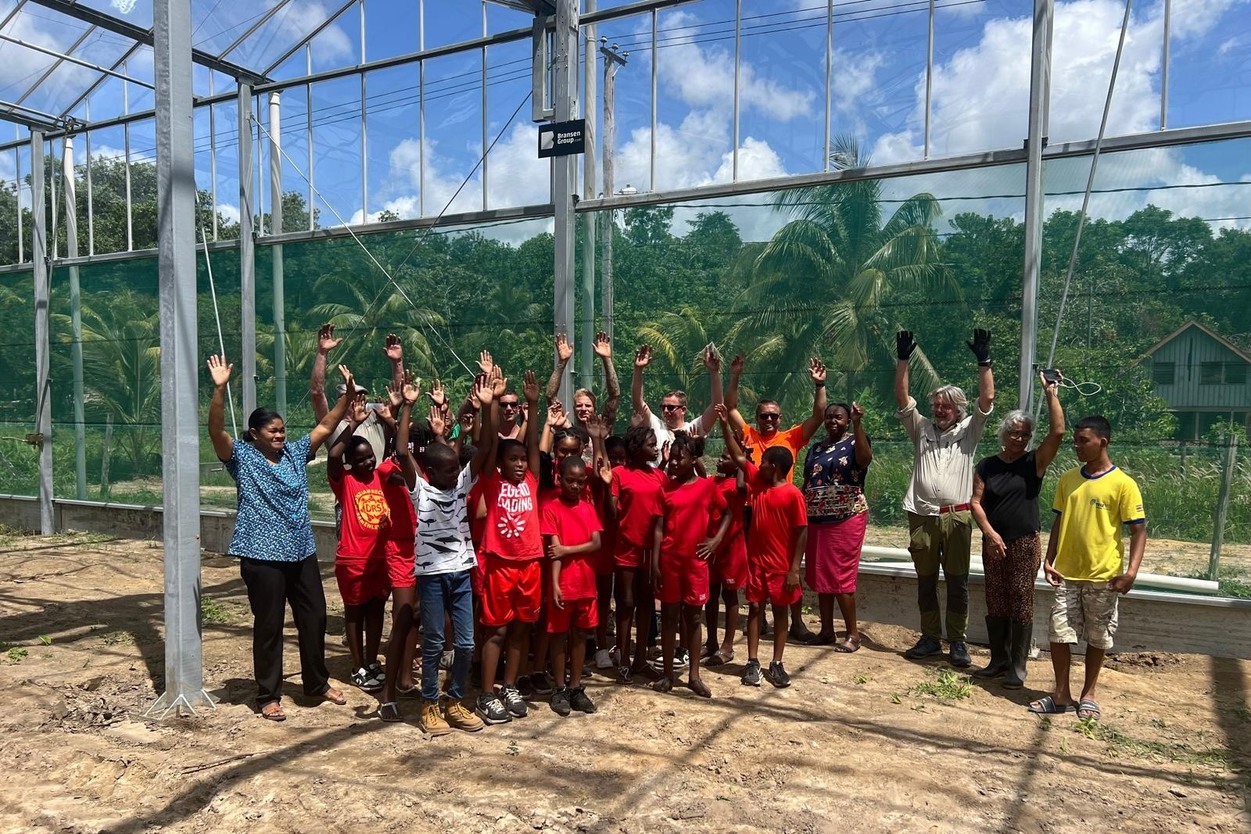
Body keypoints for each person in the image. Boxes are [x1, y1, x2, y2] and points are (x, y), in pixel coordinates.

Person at [205, 354, 351, 721]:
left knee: (315, 617)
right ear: (255, 434)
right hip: (260, 555)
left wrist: (346, 398)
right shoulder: (240, 457)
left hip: (300, 551)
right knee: (268, 625)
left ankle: (316, 683)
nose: (280, 435)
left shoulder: (295, 454)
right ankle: (268, 694)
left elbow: (325, 426)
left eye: (282, 429)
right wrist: (219, 389)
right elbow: (215, 431)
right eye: (273, 431)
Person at [392, 372, 496, 735]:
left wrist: (485, 410)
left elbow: (483, 451)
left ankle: (454, 701)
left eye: (457, 469)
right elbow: (402, 452)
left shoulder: (462, 484)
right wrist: (407, 405)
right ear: (432, 471)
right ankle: (430, 704)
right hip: (432, 576)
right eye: (449, 470)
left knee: (465, 642)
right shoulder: (420, 491)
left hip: (462, 572)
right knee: (434, 640)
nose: (456, 474)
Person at [1028, 416, 1146, 721]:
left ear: (1102, 442)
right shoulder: (1068, 479)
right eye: (1076, 440)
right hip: (1066, 573)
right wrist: (1049, 559)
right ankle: (1061, 695)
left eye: (1084, 441)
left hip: (1103, 577)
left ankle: (1088, 695)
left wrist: (1130, 572)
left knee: (1098, 637)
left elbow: (1138, 531)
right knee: (1058, 633)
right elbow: (1058, 521)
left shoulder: (1123, 484)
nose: (1077, 446)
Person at [894, 328, 995, 667]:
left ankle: (958, 641)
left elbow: (987, 401)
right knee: (925, 580)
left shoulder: (969, 431)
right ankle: (929, 637)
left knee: (957, 581)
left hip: (958, 515)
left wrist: (984, 361)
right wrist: (903, 358)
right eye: (936, 405)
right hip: (921, 514)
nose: (939, 410)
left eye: (946, 406)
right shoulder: (920, 427)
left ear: (958, 409)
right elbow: (902, 396)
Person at [970, 373, 1065, 688]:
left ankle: (1017, 666)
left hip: (1024, 543)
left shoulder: (1033, 463)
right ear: (1004, 433)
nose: (1019, 439)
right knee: (995, 597)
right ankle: (997, 660)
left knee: (1022, 597)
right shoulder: (987, 465)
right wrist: (990, 533)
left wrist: (1050, 394)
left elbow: (1059, 431)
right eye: (1014, 433)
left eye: (1025, 435)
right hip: (994, 542)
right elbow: (975, 503)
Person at [725, 354, 828, 642]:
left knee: (787, 568)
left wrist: (819, 386)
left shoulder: (792, 437)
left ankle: (796, 621)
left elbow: (818, 416)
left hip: (784, 512)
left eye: (773, 415)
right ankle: (761, 617)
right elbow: (730, 407)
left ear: (780, 418)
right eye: (763, 415)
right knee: (757, 568)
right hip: (752, 511)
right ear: (756, 418)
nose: (768, 419)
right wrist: (734, 375)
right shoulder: (747, 434)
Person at [718, 406, 808, 689]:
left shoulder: (793, 495)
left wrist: (794, 569)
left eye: (765, 462)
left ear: (776, 467)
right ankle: (752, 661)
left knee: (781, 612)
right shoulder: (758, 483)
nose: (760, 464)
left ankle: (777, 663)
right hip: (757, 564)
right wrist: (723, 426)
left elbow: (802, 532)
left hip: (781, 567)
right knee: (755, 608)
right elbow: (737, 455)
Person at [475, 369, 544, 725]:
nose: (519, 464)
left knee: (521, 628)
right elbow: (487, 447)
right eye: (512, 459)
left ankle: (510, 685)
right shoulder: (491, 481)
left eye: (521, 460)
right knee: (497, 630)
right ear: (501, 463)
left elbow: (533, 446)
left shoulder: (531, 479)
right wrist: (488, 409)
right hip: (500, 564)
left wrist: (533, 405)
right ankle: (486, 694)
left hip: (530, 563)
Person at [650, 433, 729, 698]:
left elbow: (728, 513)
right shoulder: (665, 490)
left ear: (693, 460)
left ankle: (694, 675)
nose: (673, 463)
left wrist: (715, 541)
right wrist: (655, 563)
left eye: (679, 458)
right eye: (671, 458)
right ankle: (668, 675)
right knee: (670, 617)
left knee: (694, 617)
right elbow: (659, 528)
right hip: (670, 561)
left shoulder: (708, 488)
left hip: (696, 563)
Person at [326, 431, 402, 693]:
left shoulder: (383, 477)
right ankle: (358, 665)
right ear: (350, 463)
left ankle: (372, 661)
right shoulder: (344, 481)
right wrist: (353, 424)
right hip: (353, 559)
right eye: (360, 460)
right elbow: (333, 455)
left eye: (370, 457)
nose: (368, 463)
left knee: (377, 609)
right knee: (355, 611)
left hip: (382, 558)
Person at [801, 401, 873, 651]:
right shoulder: (816, 448)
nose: (833, 421)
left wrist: (857, 422)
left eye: (838, 417)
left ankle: (853, 634)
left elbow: (864, 461)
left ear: (847, 419)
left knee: (841, 574)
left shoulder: (856, 441)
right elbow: (807, 480)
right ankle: (826, 631)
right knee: (821, 573)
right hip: (817, 519)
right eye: (829, 417)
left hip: (846, 517)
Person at [541, 455, 603, 716]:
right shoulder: (551, 508)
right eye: (570, 481)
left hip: (585, 583)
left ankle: (576, 686)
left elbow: (596, 543)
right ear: (559, 479)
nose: (575, 486)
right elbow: (554, 552)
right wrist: (554, 584)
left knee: (580, 636)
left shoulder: (588, 508)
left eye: (580, 482)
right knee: (558, 636)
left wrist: (567, 550)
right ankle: (559, 688)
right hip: (564, 584)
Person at [609, 424, 668, 683]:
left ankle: (641, 659)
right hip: (626, 546)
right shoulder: (619, 474)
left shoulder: (659, 476)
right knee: (626, 602)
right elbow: (612, 511)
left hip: (651, 550)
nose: (655, 447)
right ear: (636, 447)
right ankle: (623, 658)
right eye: (650, 444)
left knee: (646, 603)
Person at [630, 343, 724, 463]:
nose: (665, 411)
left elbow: (717, 405)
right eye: (663, 407)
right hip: (660, 481)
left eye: (670, 407)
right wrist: (638, 369)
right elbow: (638, 401)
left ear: (683, 409)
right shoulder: (656, 426)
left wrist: (714, 373)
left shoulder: (693, 429)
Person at [702, 442, 748, 666]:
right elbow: (700, 476)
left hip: (731, 547)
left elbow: (741, 486)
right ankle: (711, 641)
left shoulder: (740, 485)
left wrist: (743, 459)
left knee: (730, 595)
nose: (719, 461)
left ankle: (728, 645)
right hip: (710, 547)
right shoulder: (714, 481)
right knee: (710, 595)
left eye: (725, 458)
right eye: (720, 457)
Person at [546, 331, 622, 436]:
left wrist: (606, 359)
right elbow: (550, 395)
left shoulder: (603, 428)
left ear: (594, 409)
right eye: (579, 405)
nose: (583, 409)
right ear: (573, 409)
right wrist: (562, 362)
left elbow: (614, 395)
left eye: (588, 405)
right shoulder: (567, 429)